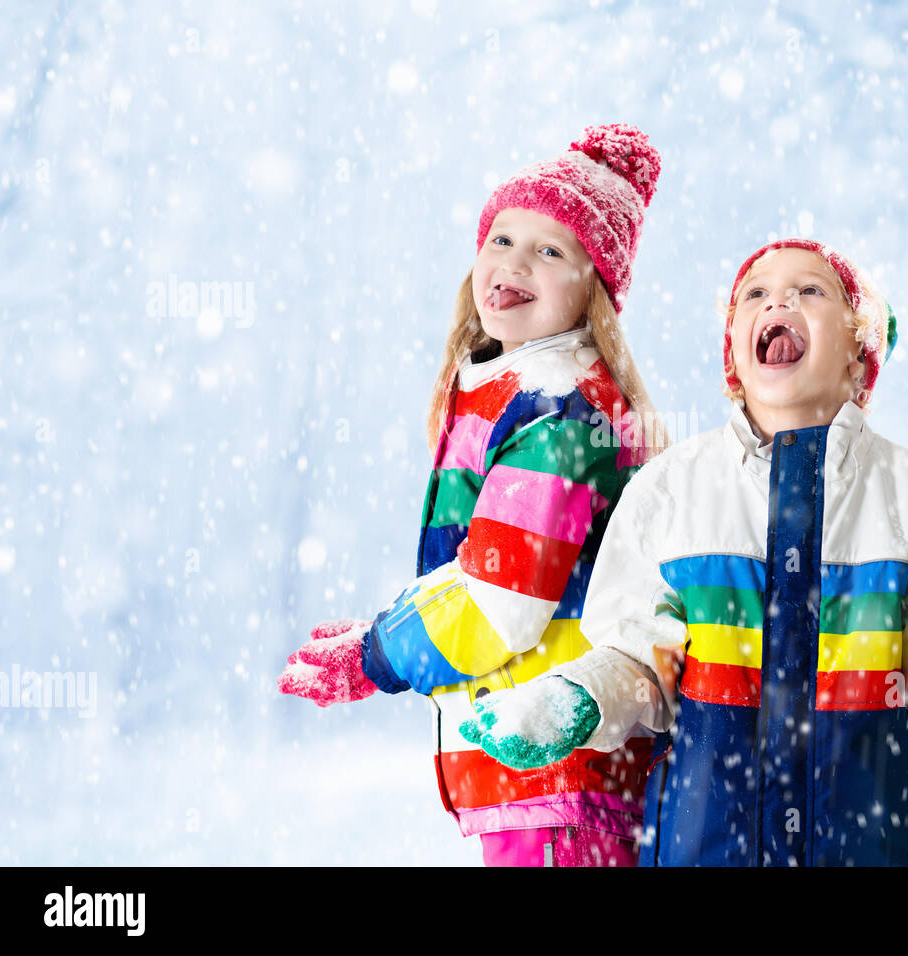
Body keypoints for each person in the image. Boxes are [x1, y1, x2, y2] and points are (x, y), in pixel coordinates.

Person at [459, 238, 908, 867]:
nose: (781, 301)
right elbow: (636, 656)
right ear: (734, 355)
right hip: (707, 845)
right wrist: (571, 699)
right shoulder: (669, 493)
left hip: (878, 845)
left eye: (810, 291)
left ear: (860, 353)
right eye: (757, 295)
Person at [278, 124, 667, 867]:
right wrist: (389, 633)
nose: (514, 260)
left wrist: (379, 653)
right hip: (544, 781)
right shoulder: (511, 393)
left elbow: (499, 603)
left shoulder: (559, 412)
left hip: (564, 775)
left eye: (551, 250)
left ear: (596, 290)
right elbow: (489, 567)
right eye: (502, 238)